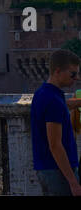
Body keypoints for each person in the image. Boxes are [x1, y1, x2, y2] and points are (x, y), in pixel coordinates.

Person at [31, 48, 81, 195]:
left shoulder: (42, 93)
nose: (76, 78)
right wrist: (73, 183)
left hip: (45, 169)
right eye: (73, 74)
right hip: (59, 173)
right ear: (58, 71)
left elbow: (64, 106)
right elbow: (55, 145)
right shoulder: (54, 101)